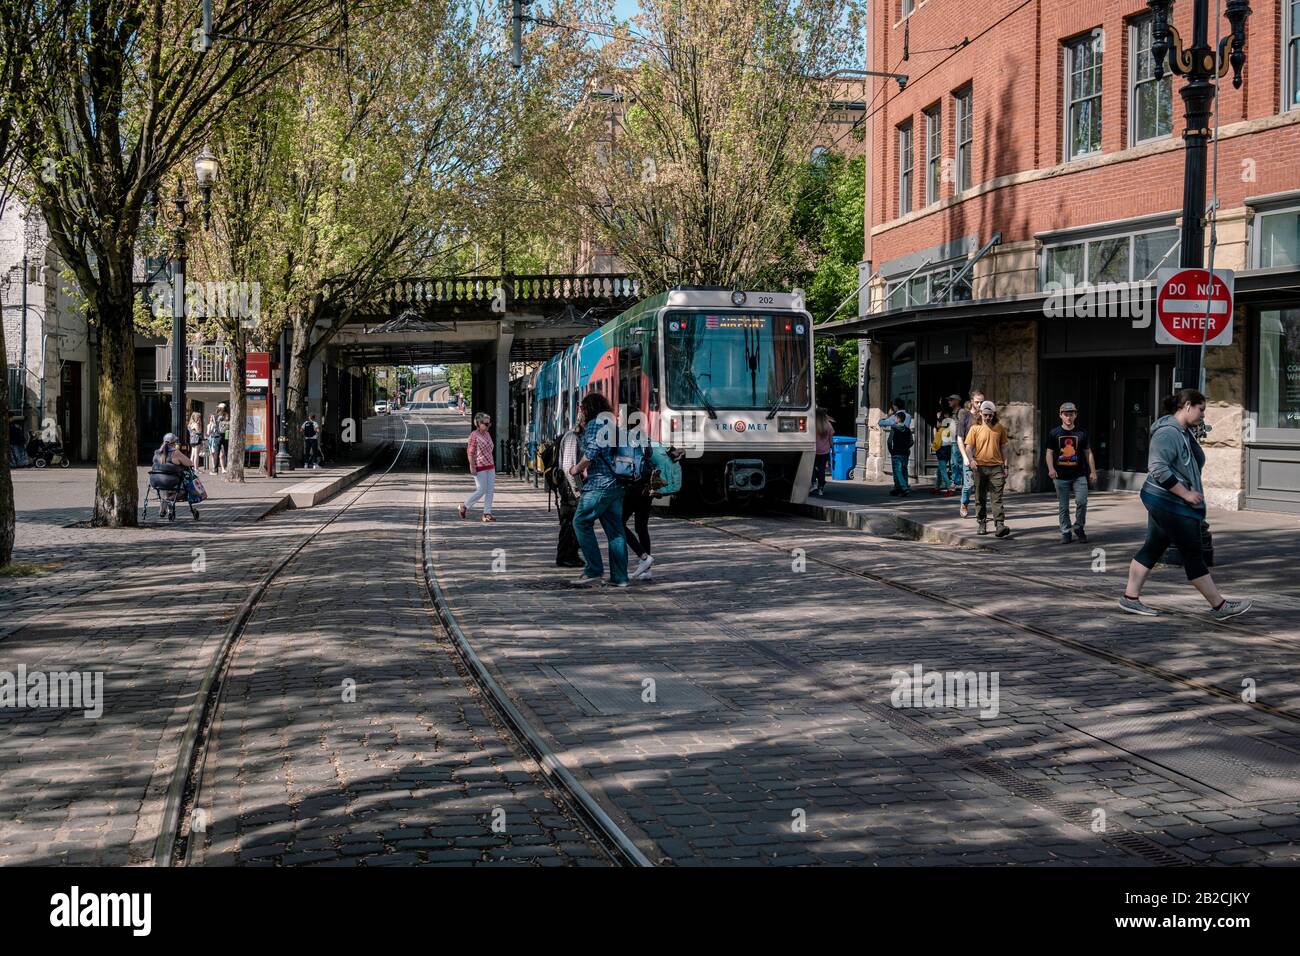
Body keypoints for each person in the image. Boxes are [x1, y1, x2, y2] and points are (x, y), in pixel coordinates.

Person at [1120, 388, 1251, 620]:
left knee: (1153, 546)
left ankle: (1130, 598)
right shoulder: (1168, 433)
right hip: (1170, 502)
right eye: (1201, 410)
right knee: (1193, 553)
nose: (1203, 415)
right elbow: (1158, 468)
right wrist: (1186, 494)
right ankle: (1219, 606)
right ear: (1188, 405)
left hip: (1168, 501)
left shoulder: (1182, 431)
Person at [567, 391, 629, 587]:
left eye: (582, 408)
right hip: (617, 485)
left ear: (588, 409)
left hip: (599, 485)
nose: (581, 412)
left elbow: (591, 453)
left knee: (580, 522)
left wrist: (575, 468)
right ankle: (620, 577)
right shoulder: (612, 425)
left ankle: (594, 569)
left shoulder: (595, 425)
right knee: (616, 532)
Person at [1045, 401, 1098, 544]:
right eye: (1066, 415)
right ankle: (1066, 532)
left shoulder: (1082, 433)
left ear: (1075, 415)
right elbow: (1049, 453)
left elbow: (1088, 453)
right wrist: (1051, 468)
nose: (1068, 417)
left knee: (1082, 502)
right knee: (1064, 506)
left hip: (1079, 475)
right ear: (1060, 416)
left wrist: (1093, 471)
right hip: (1060, 476)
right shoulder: (1054, 433)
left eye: (1071, 414)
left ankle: (1079, 527)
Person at [965, 399, 1011, 537]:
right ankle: (982, 522)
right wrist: (971, 460)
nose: (987, 418)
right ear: (980, 413)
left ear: (994, 414)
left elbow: (1004, 447)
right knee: (980, 497)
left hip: (996, 468)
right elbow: (968, 447)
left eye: (990, 415)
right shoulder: (975, 428)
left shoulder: (999, 428)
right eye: (985, 415)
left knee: (997, 498)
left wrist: (1006, 466)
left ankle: (1000, 525)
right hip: (980, 467)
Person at [553, 418, 584, 567]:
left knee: (572, 522)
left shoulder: (575, 436)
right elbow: (568, 468)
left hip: (569, 486)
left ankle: (571, 554)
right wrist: (577, 490)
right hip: (569, 487)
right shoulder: (572, 437)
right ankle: (565, 556)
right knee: (570, 522)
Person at [459, 412, 496, 522]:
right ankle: (464, 506)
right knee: (481, 490)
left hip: (490, 465)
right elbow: (470, 452)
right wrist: (472, 466)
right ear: (478, 423)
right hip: (479, 466)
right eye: (486, 423)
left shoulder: (487, 434)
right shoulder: (474, 436)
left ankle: (487, 513)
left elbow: (490, 449)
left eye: (489, 423)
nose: (488, 425)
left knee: (490, 490)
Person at [953, 391, 982, 518]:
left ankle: (980, 509)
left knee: (981, 486)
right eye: (977, 402)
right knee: (968, 485)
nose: (980, 404)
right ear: (972, 401)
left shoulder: (984, 416)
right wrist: (965, 457)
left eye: (981, 402)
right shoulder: (965, 417)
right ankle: (964, 503)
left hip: (983, 456)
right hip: (969, 456)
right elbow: (959, 438)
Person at [878, 409, 912, 496]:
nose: (895, 419)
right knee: (904, 470)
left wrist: (891, 450)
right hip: (905, 452)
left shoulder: (894, 428)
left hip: (896, 452)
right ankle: (898, 488)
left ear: (898, 419)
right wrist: (906, 447)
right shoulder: (908, 430)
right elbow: (911, 442)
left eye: (896, 418)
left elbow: (889, 441)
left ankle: (904, 488)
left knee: (897, 470)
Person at [931, 409, 956, 496]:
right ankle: (937, 487)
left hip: (941, 452)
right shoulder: (948, 430)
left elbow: (936, 444)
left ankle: (949, 488)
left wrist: (932, 446)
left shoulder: (940, 431)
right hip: (947, 451)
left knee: (943, 471)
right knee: (939, 470)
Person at [812, 407, 834, 496]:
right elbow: (831, 440)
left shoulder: (813, 425)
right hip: (825, 451)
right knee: (822, 469)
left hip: (814, 450)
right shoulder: (828, 425)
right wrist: (833, 450)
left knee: (812, 468)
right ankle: (821, 487)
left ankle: (813, 483)